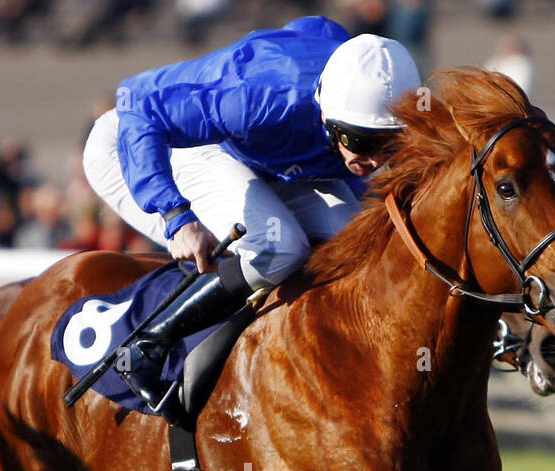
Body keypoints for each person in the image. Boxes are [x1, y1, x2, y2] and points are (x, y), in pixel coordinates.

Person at [82, 16, 419, 409]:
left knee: (364, 243)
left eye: (391, 143)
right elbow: (141, 112)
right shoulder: (259, 97)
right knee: (280, 246)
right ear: (326, 116)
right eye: (360, 140)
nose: (375, 159)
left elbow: (314, 26)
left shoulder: (354, 82)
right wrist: (177, 216)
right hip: (152, 142)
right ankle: (148, 346)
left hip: (259, 156)